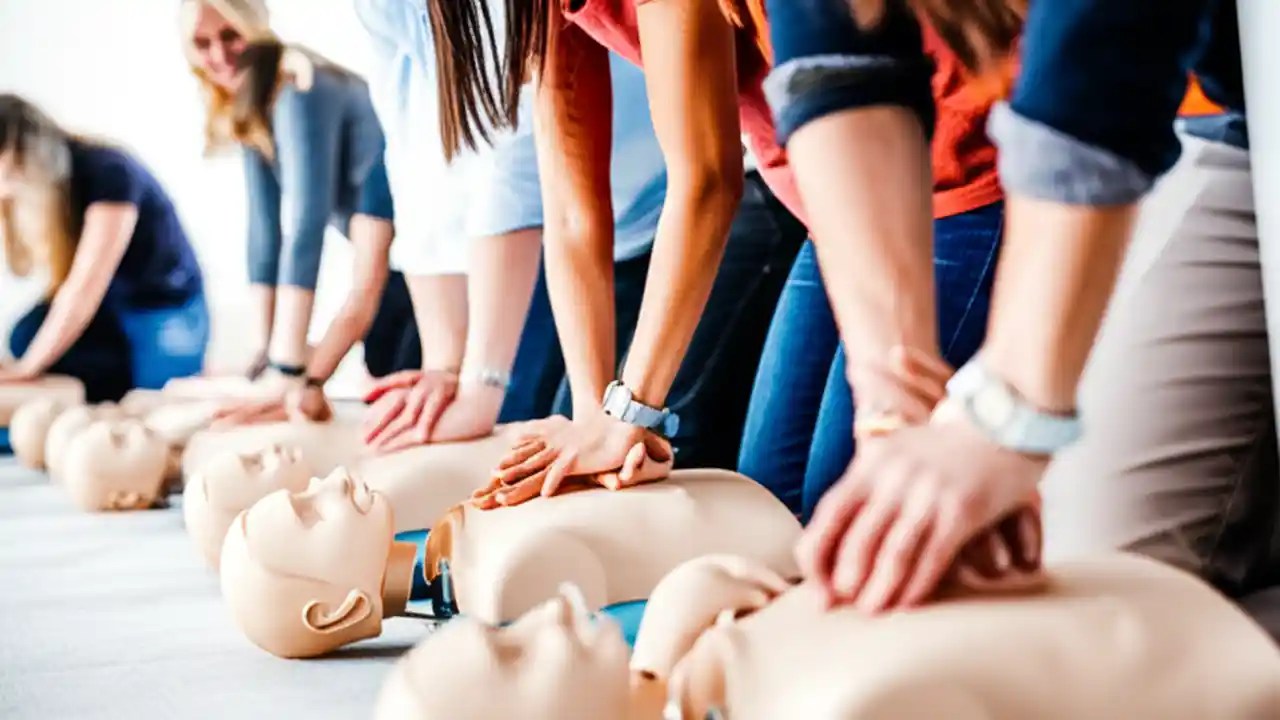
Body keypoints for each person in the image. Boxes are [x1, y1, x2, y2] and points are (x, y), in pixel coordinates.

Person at [772, 0, 1278, 635]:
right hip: (1239, 117)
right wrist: (893, 412)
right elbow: (837, 65)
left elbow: (1097, 45)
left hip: (1157, 91)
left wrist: (1007, 413)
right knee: (1102, 572)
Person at [356, 0, 805, 465]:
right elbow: (569, 211)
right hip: (808, 200)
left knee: (771, 474)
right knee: (579, 429)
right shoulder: (541, 13)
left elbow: (705, 181)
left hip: (812, 196)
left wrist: (628, 414)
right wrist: (593, 415)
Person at [738, 16, 1006, 522]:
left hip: (968, 185)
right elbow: (824, 76)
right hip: (843, 200)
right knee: (767, 494)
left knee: (842, 496)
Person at [181, 0, 415, 423]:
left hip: (437, 279)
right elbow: (264, 233)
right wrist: (263, 357)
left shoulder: (303, 87)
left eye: (230, 35)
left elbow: (307, 228)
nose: (218, 54)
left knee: (392, 385)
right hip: (400, 281)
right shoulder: (255, 106)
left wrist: (295, 374)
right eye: (202, 42)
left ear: (255, 28)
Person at [0, 94, 208, 402]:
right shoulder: (37, 189)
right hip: (113, 306)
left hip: (161, 311)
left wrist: (28, 368)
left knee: (141, 393)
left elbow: (84, 288)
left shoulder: (109, 172)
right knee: (24, 335)